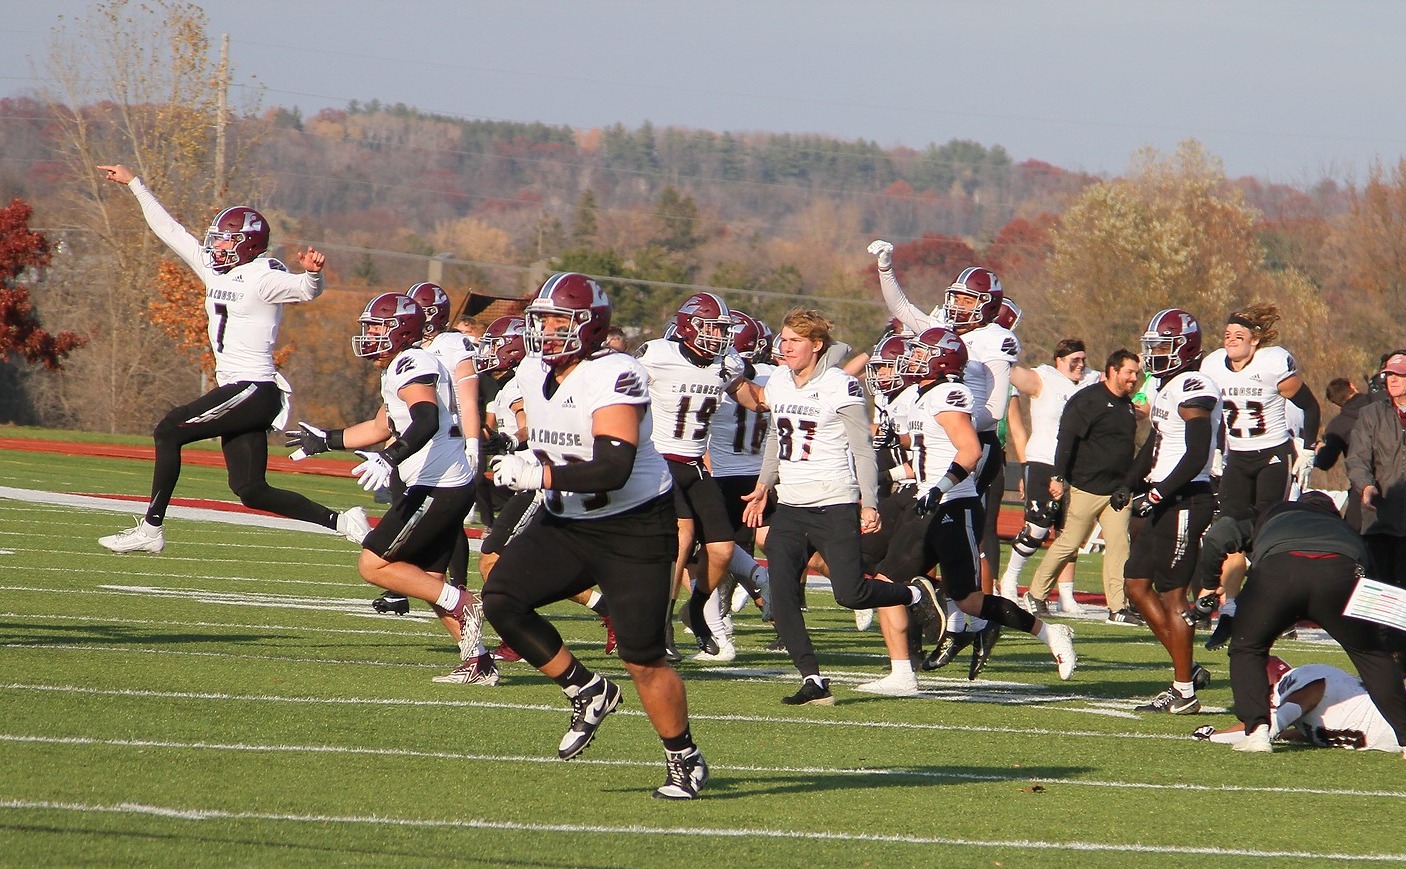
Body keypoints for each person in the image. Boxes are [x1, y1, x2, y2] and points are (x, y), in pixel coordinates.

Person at [479, 272, 707, 799]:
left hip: (633, 527)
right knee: (503, 599)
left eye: (559, 322)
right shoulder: (532, 370)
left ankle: (684, 757)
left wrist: (538, 474)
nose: (546, 331)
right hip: (567, 520)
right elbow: (553, 437)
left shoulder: (616, 372)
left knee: (642, 657)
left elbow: (613, 467)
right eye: (542, 321)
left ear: (590, 326)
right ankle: (586, 689)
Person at [95, 163, 369, 554]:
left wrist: (312, 275)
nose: (218, 247)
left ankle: (151, 528)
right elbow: (169, 230)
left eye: (226, 240)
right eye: (218, 239)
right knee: (250, 489)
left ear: (249, 245)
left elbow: (307, 290)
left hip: (254, 388)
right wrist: (135, 184)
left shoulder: (263, 275)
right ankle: (343, 521)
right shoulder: (215, 270)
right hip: (240, 391)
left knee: (169, 430)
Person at [736, 308, 944, 706]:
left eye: (795, 341)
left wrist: (869, 503)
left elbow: (862, 449)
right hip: (791, 506)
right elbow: (777, 438)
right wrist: (763, 486)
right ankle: (812, 679)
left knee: (850, 593)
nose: (786, 347)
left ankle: (915, 596)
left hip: (834, 503)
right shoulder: (779, 380)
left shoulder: (839, 385)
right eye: (784, 339)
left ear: (816, 345)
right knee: (782, 595)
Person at [285, 293, 494, 685]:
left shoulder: (411, 362)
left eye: (378, 328)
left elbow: (427, 419)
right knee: (428, 580)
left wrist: (389, 457)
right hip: (441, 483)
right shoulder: (401, 365)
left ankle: (466, 602)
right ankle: (478, 661)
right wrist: (326, 440)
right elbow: (381, 426)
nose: (370, 336)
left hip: (437, 485)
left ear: (402, 330)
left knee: (374, 563)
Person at [861, 326, 1075, 695]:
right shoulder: (919, 396)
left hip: (953, 505)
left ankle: (1049, 632)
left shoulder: (949, 394)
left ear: (942, 361)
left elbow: (970, 450)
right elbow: (924, 446)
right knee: (884, 585)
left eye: (921, 354)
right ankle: (902, 673)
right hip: (926, 502)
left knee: (970, 600)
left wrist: (940, 488)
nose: (911, 360)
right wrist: (894, 439)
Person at [1197, 491, 1406, 752]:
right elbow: (1374, 592)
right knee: (1372, 655)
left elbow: (1217, 536)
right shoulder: (1346, 530)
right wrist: (1381, 643)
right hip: (1339, 573)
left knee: (1247, 647)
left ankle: (1257, 731)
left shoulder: (1269, 512)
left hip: (1279, 572)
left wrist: (1209, 583)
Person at [636, 292, 748, 662]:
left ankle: (696, 609)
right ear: (688, 327)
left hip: (696, 465)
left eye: (721, 328)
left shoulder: (726, 363)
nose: (718, 335)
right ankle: (661, 625)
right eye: (710, 327)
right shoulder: (657, 354)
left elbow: (753, 397)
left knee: (723, 549)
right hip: (660, 461)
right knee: (682, 537)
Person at [1121, 309, 1221, 714]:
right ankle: (1188, 668)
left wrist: (1158, 494)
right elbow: (1156, 443)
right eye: (1154, 346)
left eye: (1164, 346)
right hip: (1162, 496)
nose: (1156, 354)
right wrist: (1130, 482)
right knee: (1135, 585)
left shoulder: (1195, 385)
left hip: (1186, 499)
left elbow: (1196, 454)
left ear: (1186, 348)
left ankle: (1183, 693)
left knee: (1174, 596)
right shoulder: (1165, 386)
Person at [370, 281, 482, 615]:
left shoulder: (450, 344)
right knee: (410, 517)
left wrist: (473, 443)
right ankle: (407, 587)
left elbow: (466, 399)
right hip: (417, 443)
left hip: (444, 444)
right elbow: (390, 415)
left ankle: (459, 591)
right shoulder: (403, 358)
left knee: (445, 521)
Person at [1012, 349, 1143, 626]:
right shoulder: (1087, 400)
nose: (1134, 378)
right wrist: (1058, 477)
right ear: (1113, 371)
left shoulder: (1127, 405)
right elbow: (1066, 439)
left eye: (1136, 373)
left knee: (1120, 546)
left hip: (1117, 491)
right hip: (1086, 487)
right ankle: (1036, 593)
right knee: (1068, 543)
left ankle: (1117, 607)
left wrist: (1128, 483)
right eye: (1129, 372)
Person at [999, 338, 1099, 611]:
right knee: (1038, 527)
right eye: (1074, 360)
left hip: (1076, 466)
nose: (1080, 365)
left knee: (1070, 533)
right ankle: (1010, 579)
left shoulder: (1093, 379)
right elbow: (1009, 371)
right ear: (1059, 360)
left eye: (1083, 359)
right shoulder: (1044, 378)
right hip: (1043, 460)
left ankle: (1066, 594)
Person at [1201, 303, 1319, 518]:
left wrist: (1308, 451)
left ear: (1254, 340)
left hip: (1272, 453)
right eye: (1227, 335)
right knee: (1230, 521)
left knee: (1267, 518)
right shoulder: (1213, 366)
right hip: (1237, 455)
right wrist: (1216, 450)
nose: (1230, 340)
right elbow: (1216, 416)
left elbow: (1310, 406)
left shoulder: (1271, 365)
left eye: (1238, 336)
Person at [1194, 658, 1406, 756]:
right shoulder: (1310, 709)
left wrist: (1213, 736)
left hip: (1392, 725)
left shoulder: (1307, 686)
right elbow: (1306, 731)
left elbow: (1269, 726)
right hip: (1391, 736)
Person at [1347, 352, 1406, 588]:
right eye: (1389, 374)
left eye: (1400, 375)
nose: (1393, 380)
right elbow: (1357, 458)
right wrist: (1366, 486)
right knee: (1379, 589)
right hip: (1380, 517)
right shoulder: (1371, 414)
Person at [1315, 376, 1371, 531]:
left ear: (1336, 402)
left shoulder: (1338, 425)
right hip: (1396, 479)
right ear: (1352, 386)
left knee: (1354, 533)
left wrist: (1320, 451)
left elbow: (1325, 462)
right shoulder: (1383, 407)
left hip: (1361, 486)